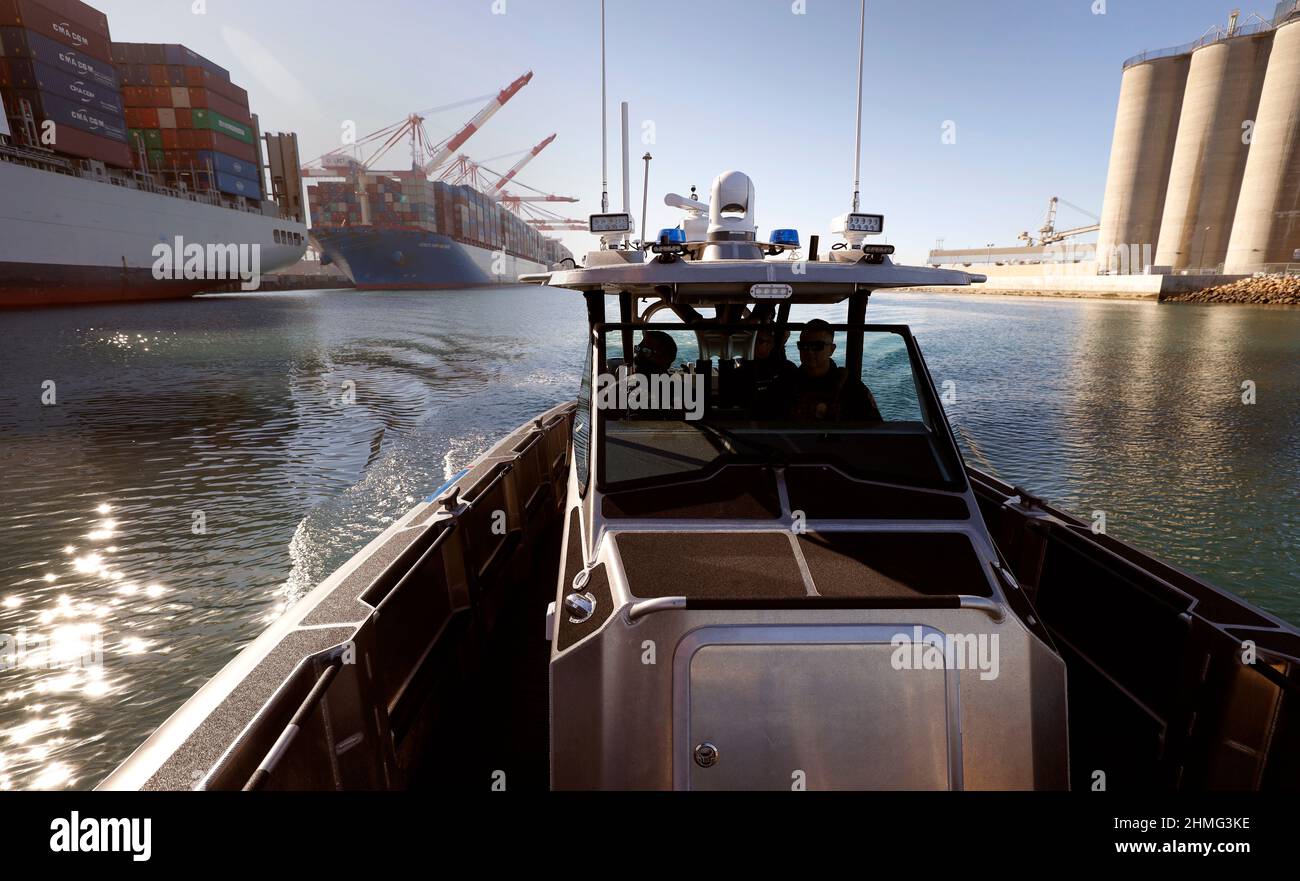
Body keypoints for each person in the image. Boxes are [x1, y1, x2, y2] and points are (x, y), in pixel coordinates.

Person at [788, 319, 883, 422]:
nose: (809, 351)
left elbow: (873, 428)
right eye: (803, 346)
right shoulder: (786, 384)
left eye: (817, 346)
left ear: (832, 349)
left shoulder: (851, 387)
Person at [735, 327, 798, 418]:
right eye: (751, 341)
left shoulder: (787, 369)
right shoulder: (740, 369)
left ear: (771, 345)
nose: (754, 345)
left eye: (759, 341)